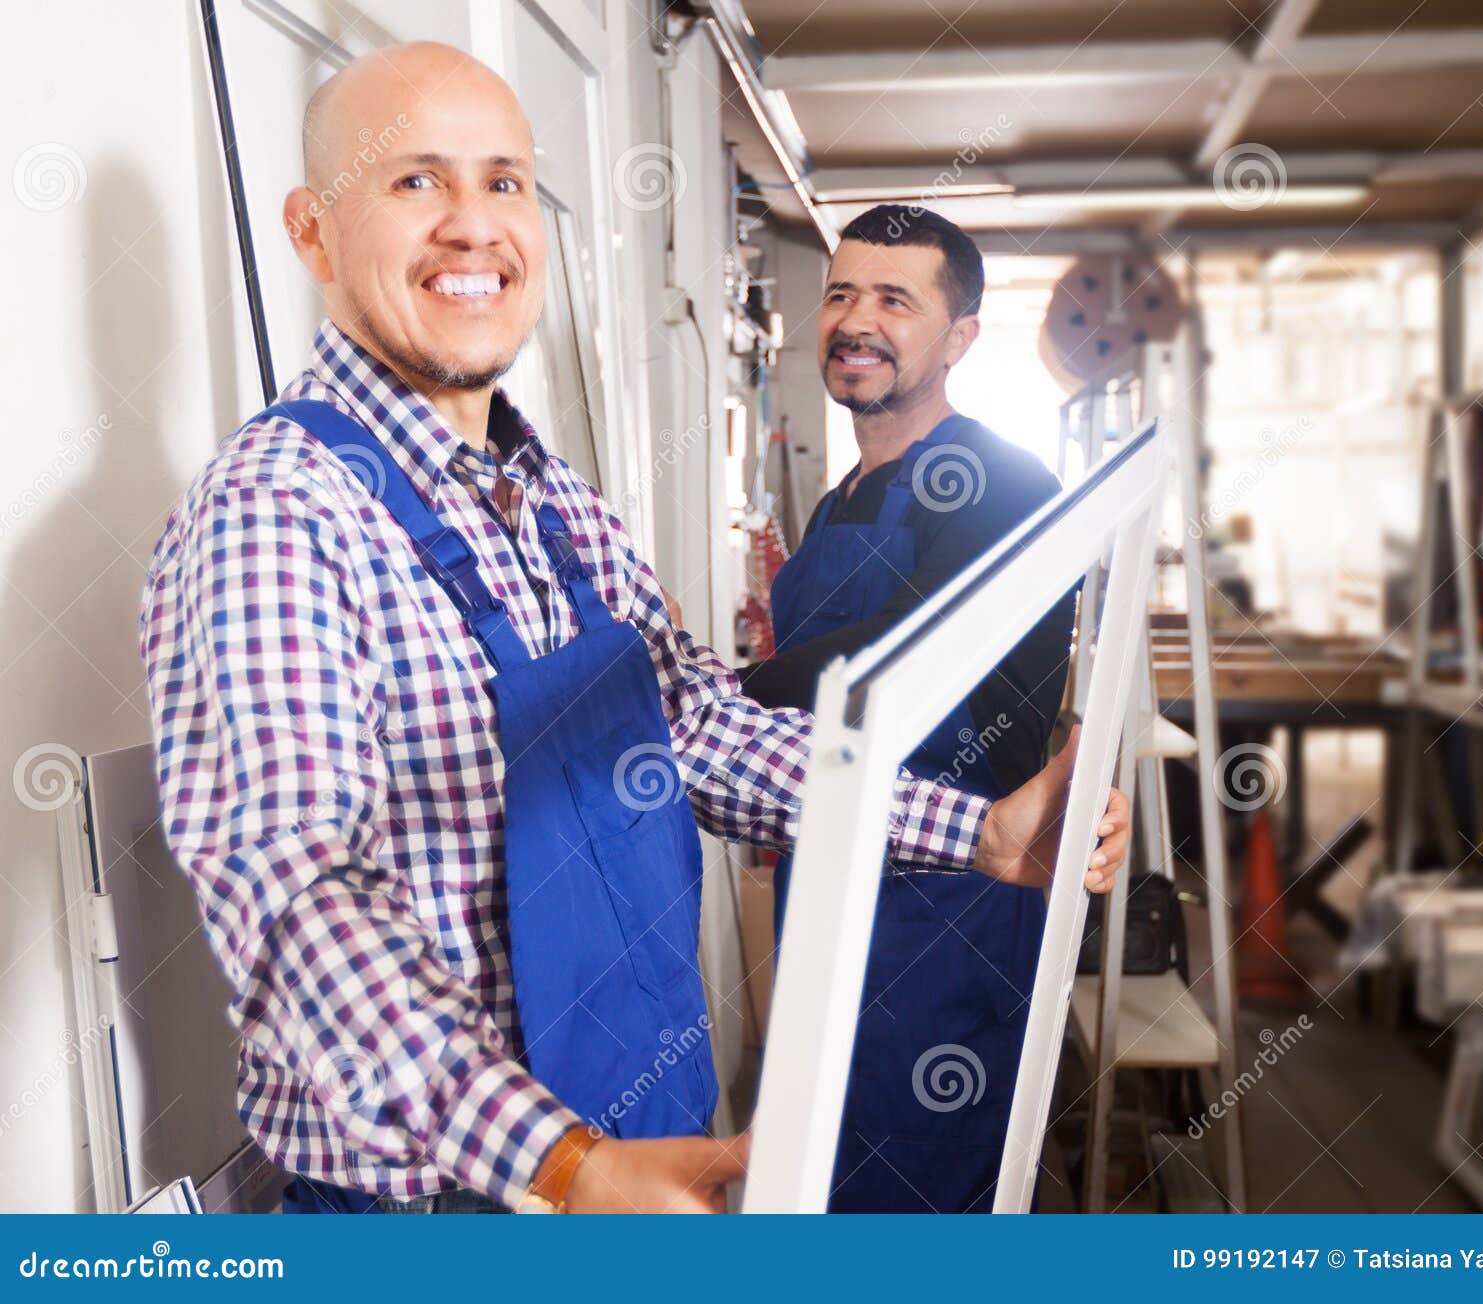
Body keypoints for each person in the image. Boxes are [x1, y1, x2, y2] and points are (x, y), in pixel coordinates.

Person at [139, 45, 1130, 1216]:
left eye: (503, 182)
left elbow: (697, 731)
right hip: (456, 1200)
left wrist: (979, 831)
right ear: (312, 233)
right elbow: (299, 893)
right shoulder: (279, 509)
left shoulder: (554, 502)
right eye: (416, 181)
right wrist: (563, 1162)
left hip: (636, 1135)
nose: (472, 224)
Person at [738, 205, 1083, 1213]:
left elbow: (906, 656)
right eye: (840, 294)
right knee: (827, 1174)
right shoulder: (840, 497)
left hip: (945, 907)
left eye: (895, 299)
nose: (857, 320)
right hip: (824, 887)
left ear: (960, 336)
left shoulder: (1003, 483)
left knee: (926, 1184)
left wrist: (721, 697)